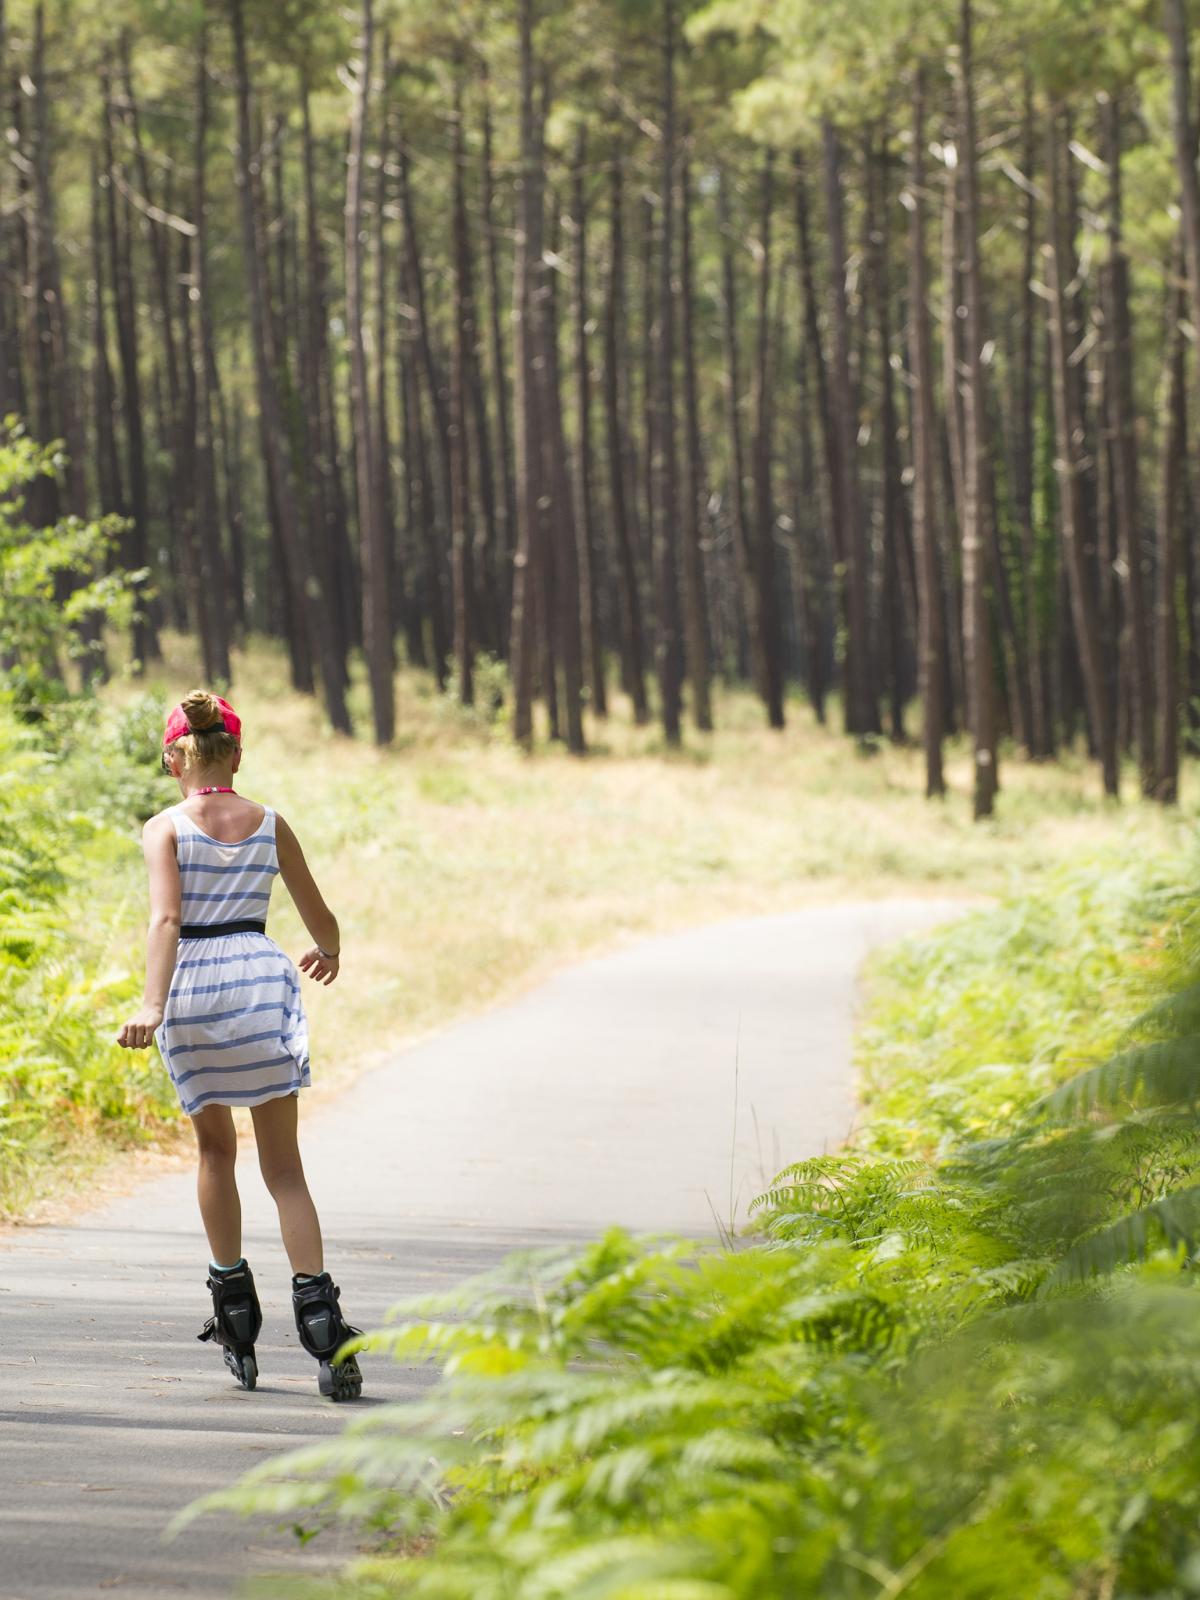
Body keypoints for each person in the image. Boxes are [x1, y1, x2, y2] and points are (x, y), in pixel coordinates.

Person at [116, 688, 362, 1400]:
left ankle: (235, 1318)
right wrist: (329, 951)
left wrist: (151, 1006)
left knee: (215, 1153)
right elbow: (322, 917)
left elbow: (166, 920)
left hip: (192, 992)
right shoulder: (271, 822)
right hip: (258, 983)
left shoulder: (163, 827)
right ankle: (323, 1327)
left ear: (173, 759)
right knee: (284, 1171)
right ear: (238, 754)